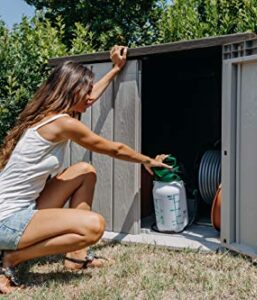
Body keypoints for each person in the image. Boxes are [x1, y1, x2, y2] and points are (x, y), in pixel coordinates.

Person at [0, 45, 171, 294]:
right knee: (94, 227)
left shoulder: (51, 116)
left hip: (22, 208)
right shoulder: (62, 123)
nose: (90, 97)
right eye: (86, 90)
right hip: (7, 220)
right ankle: (11, 259)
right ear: (72, 90)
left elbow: (88, 100)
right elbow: (112, 148)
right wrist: (148, 161)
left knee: (84, 171)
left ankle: (76, 256)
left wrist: (115, 70)